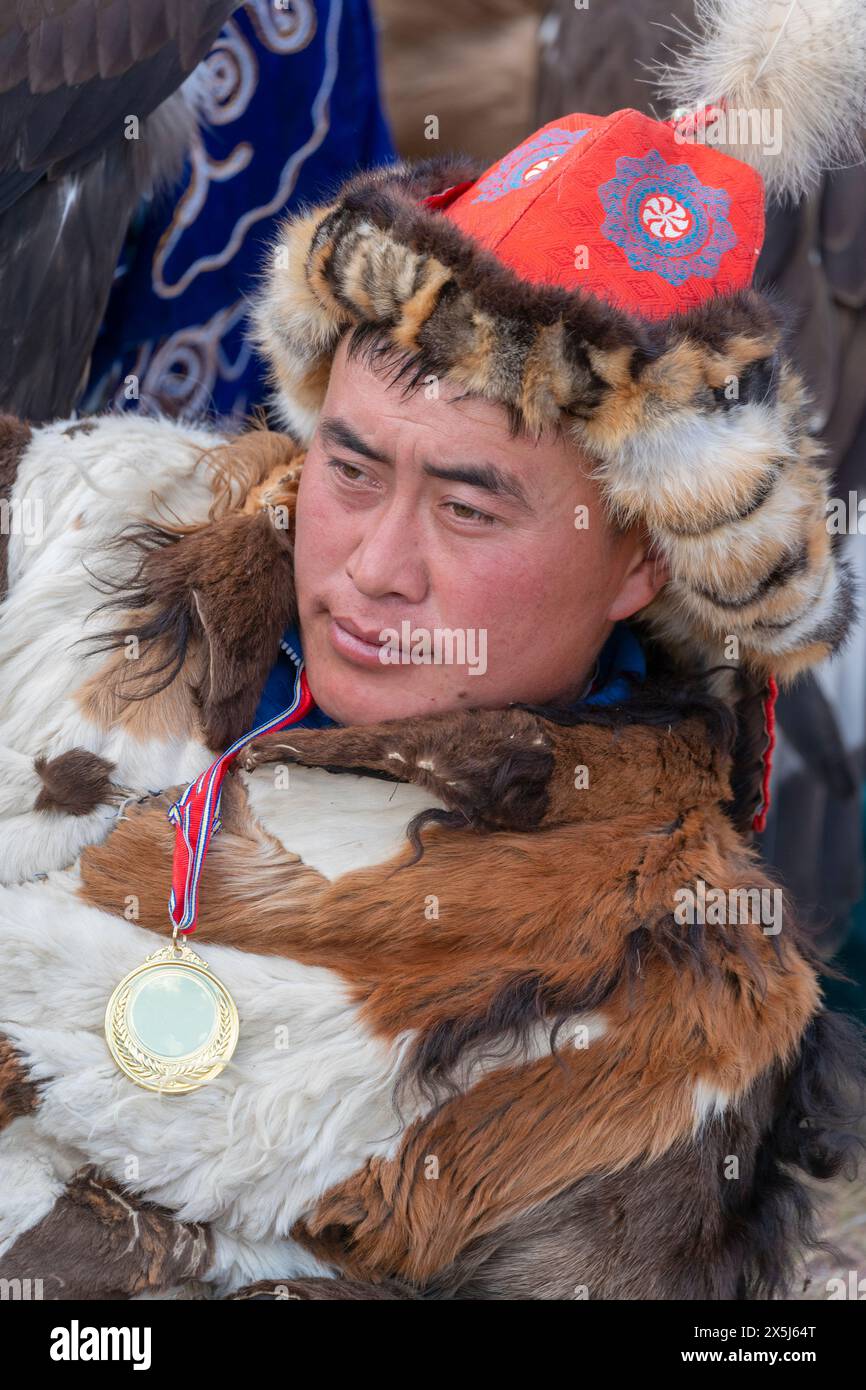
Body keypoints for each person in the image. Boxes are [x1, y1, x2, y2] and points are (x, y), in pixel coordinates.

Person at [0, 10, 864, 1301]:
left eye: (467, 506)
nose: (373, 565)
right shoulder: (87, 527)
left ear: (638, 552)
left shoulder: (650, 1038)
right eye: (348, 466)